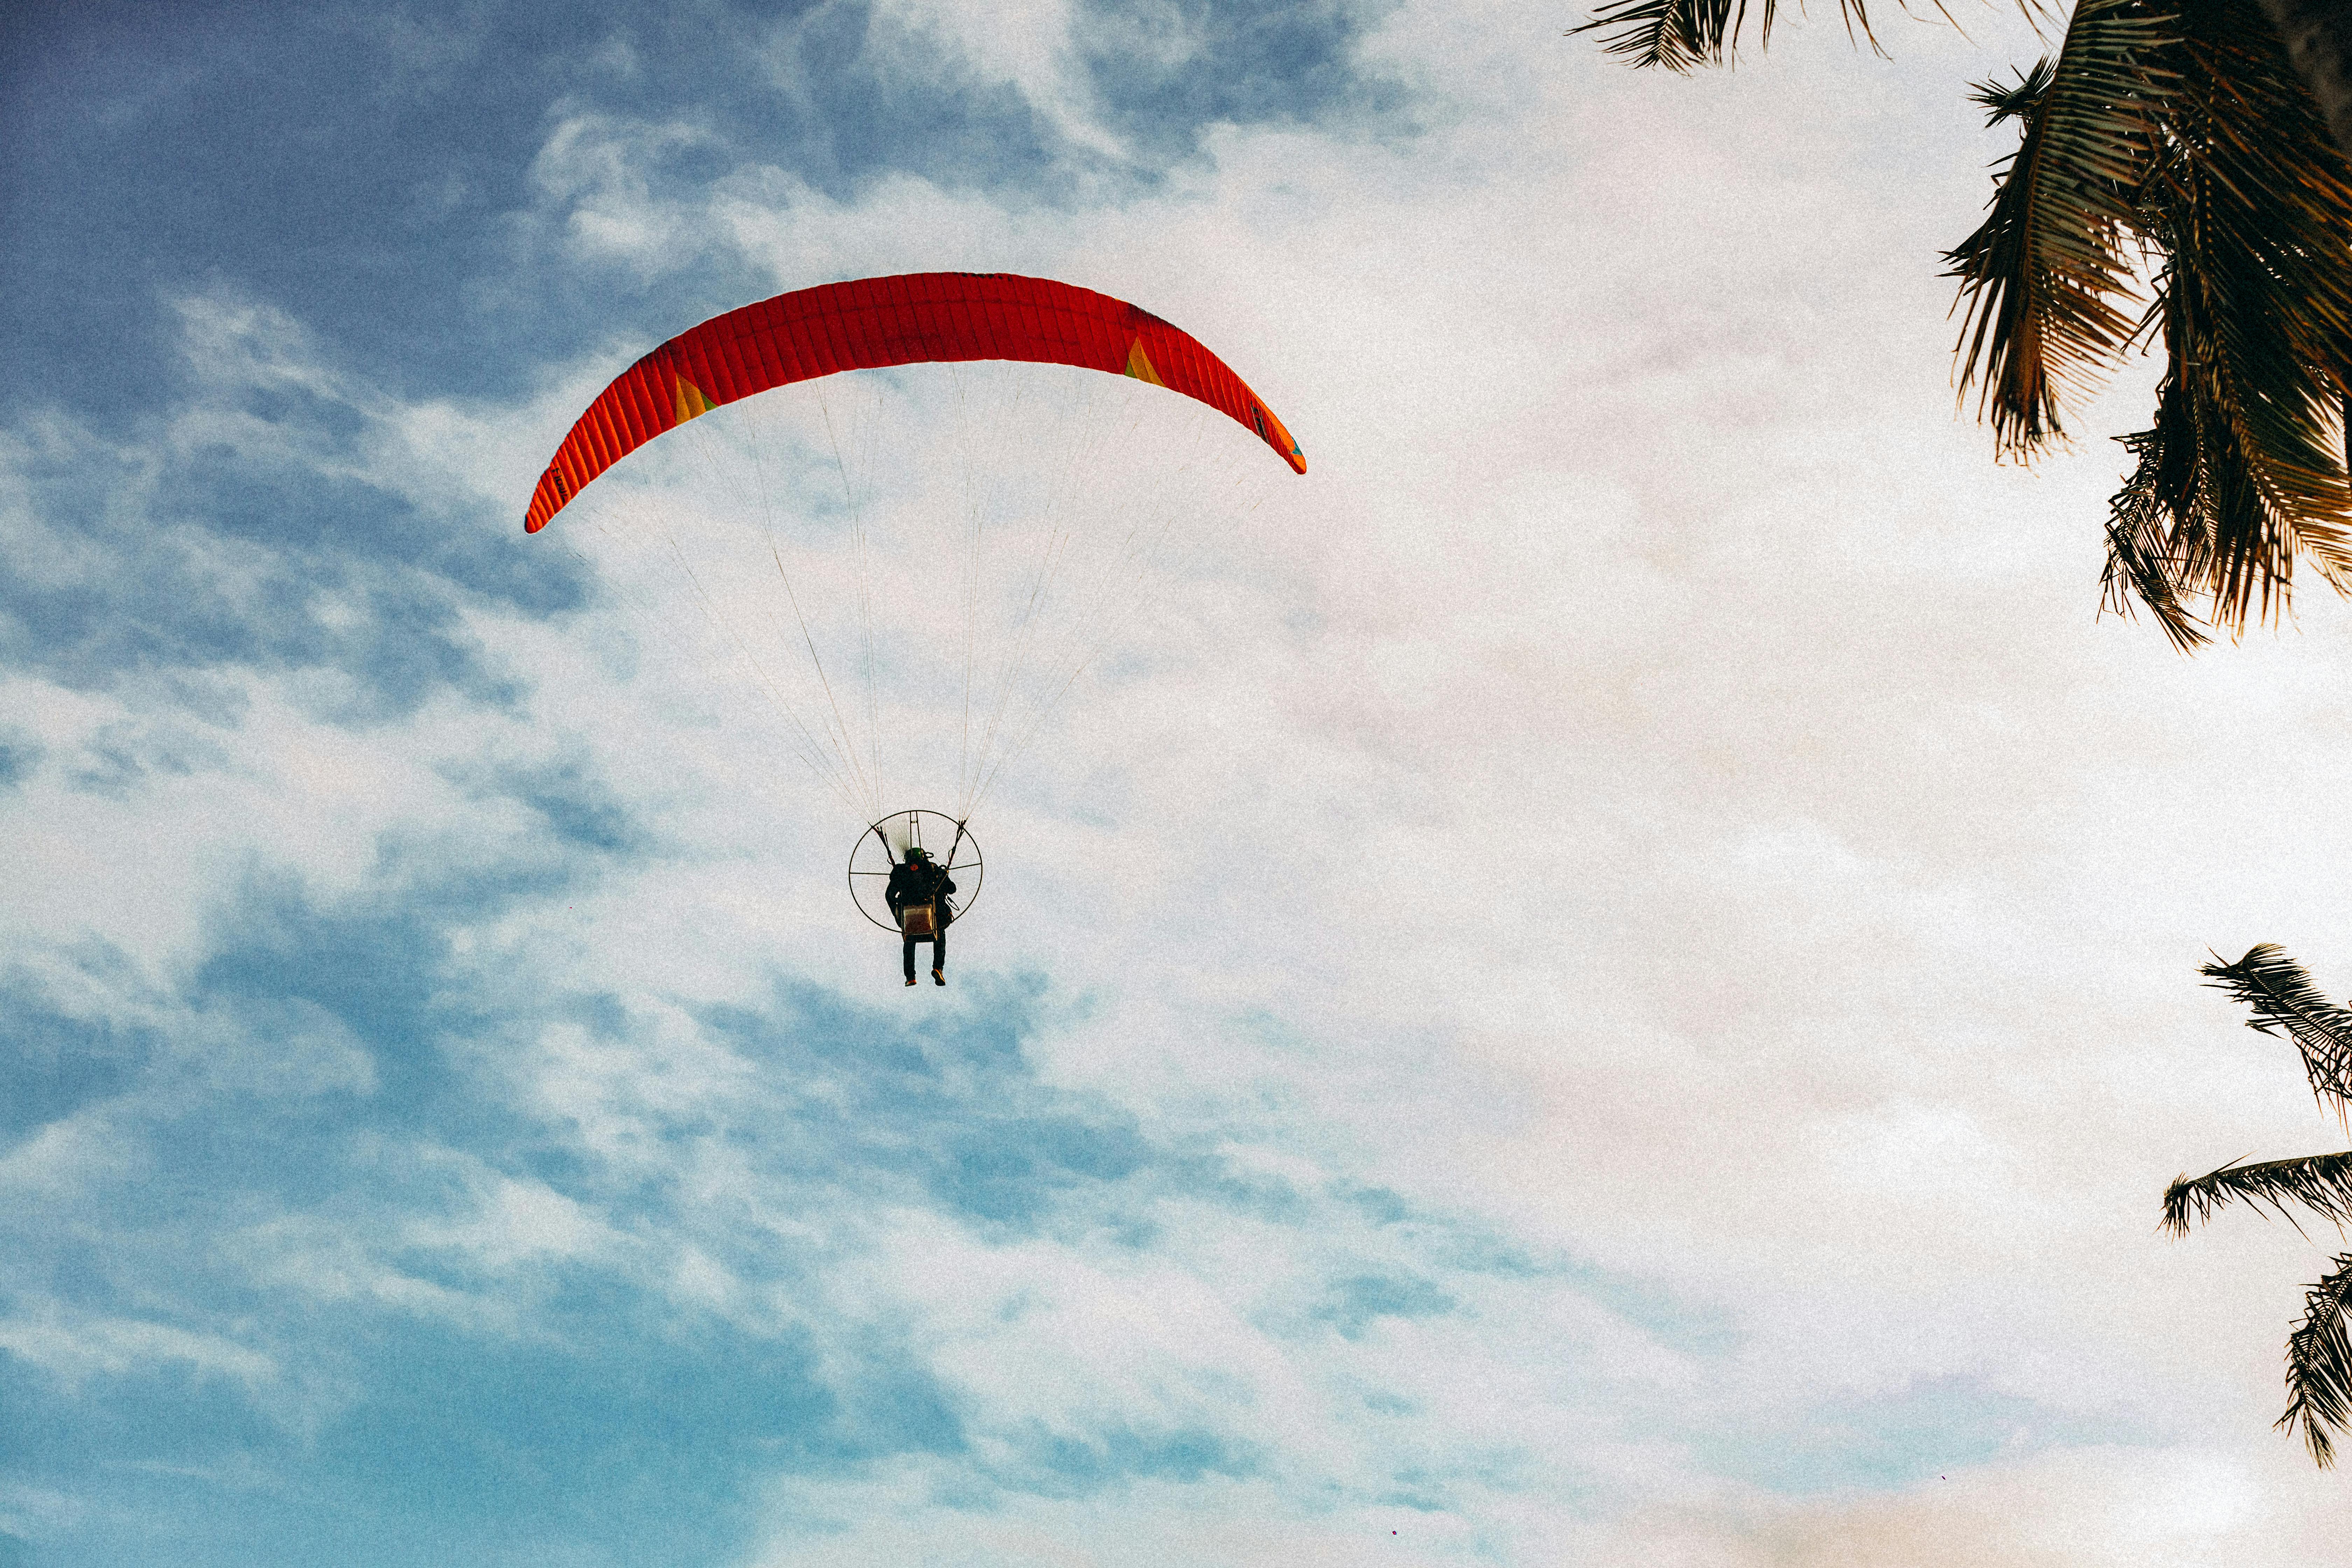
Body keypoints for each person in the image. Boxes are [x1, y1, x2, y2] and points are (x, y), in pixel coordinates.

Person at [885, 845, 956, 986]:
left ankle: (910, 976)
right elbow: (952, 889)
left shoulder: (900, 872)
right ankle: (938, 968)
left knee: (909, 939)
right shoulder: (934, 870)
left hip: (909, 917)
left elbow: (889, 895)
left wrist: (898, 914)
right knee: (939, 933)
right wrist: (944, 876)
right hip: (935, 917)